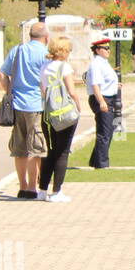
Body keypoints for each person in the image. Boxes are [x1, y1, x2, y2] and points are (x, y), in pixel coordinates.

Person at [0, 22, 49, 199]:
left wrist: (9, 91)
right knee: (35, 147)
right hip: (36, 105)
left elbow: (2, 73)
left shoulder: (17, 50)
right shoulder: (45, 54)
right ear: (46, 38)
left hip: (17, 104)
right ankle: (33, 187)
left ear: (29, 36)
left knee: (19, 147)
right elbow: (47, 80)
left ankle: (23, 186)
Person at [38, 36, 83, 202]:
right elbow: (72, 91)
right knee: (63, 152)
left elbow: (43, 91)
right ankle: (57, 191)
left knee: (50, 151)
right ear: (64, 51)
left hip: (48, 114)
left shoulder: (44, 67)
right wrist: (78, 106)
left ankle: (42, 190)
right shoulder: (64, 67)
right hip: (64, 113)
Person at [85, 38, 121, 169]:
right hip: (102, 98)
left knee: (108, 130)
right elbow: (95, 85)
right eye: (105, 48)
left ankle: (95, 160)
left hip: (108, 97)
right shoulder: (96, 64)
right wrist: (101, 102)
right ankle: (102, 164)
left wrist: (115, 85)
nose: (108, 50)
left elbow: (105, 81)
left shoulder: (104, 63)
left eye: (109, 48)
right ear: (98, 50)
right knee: (104, 132)